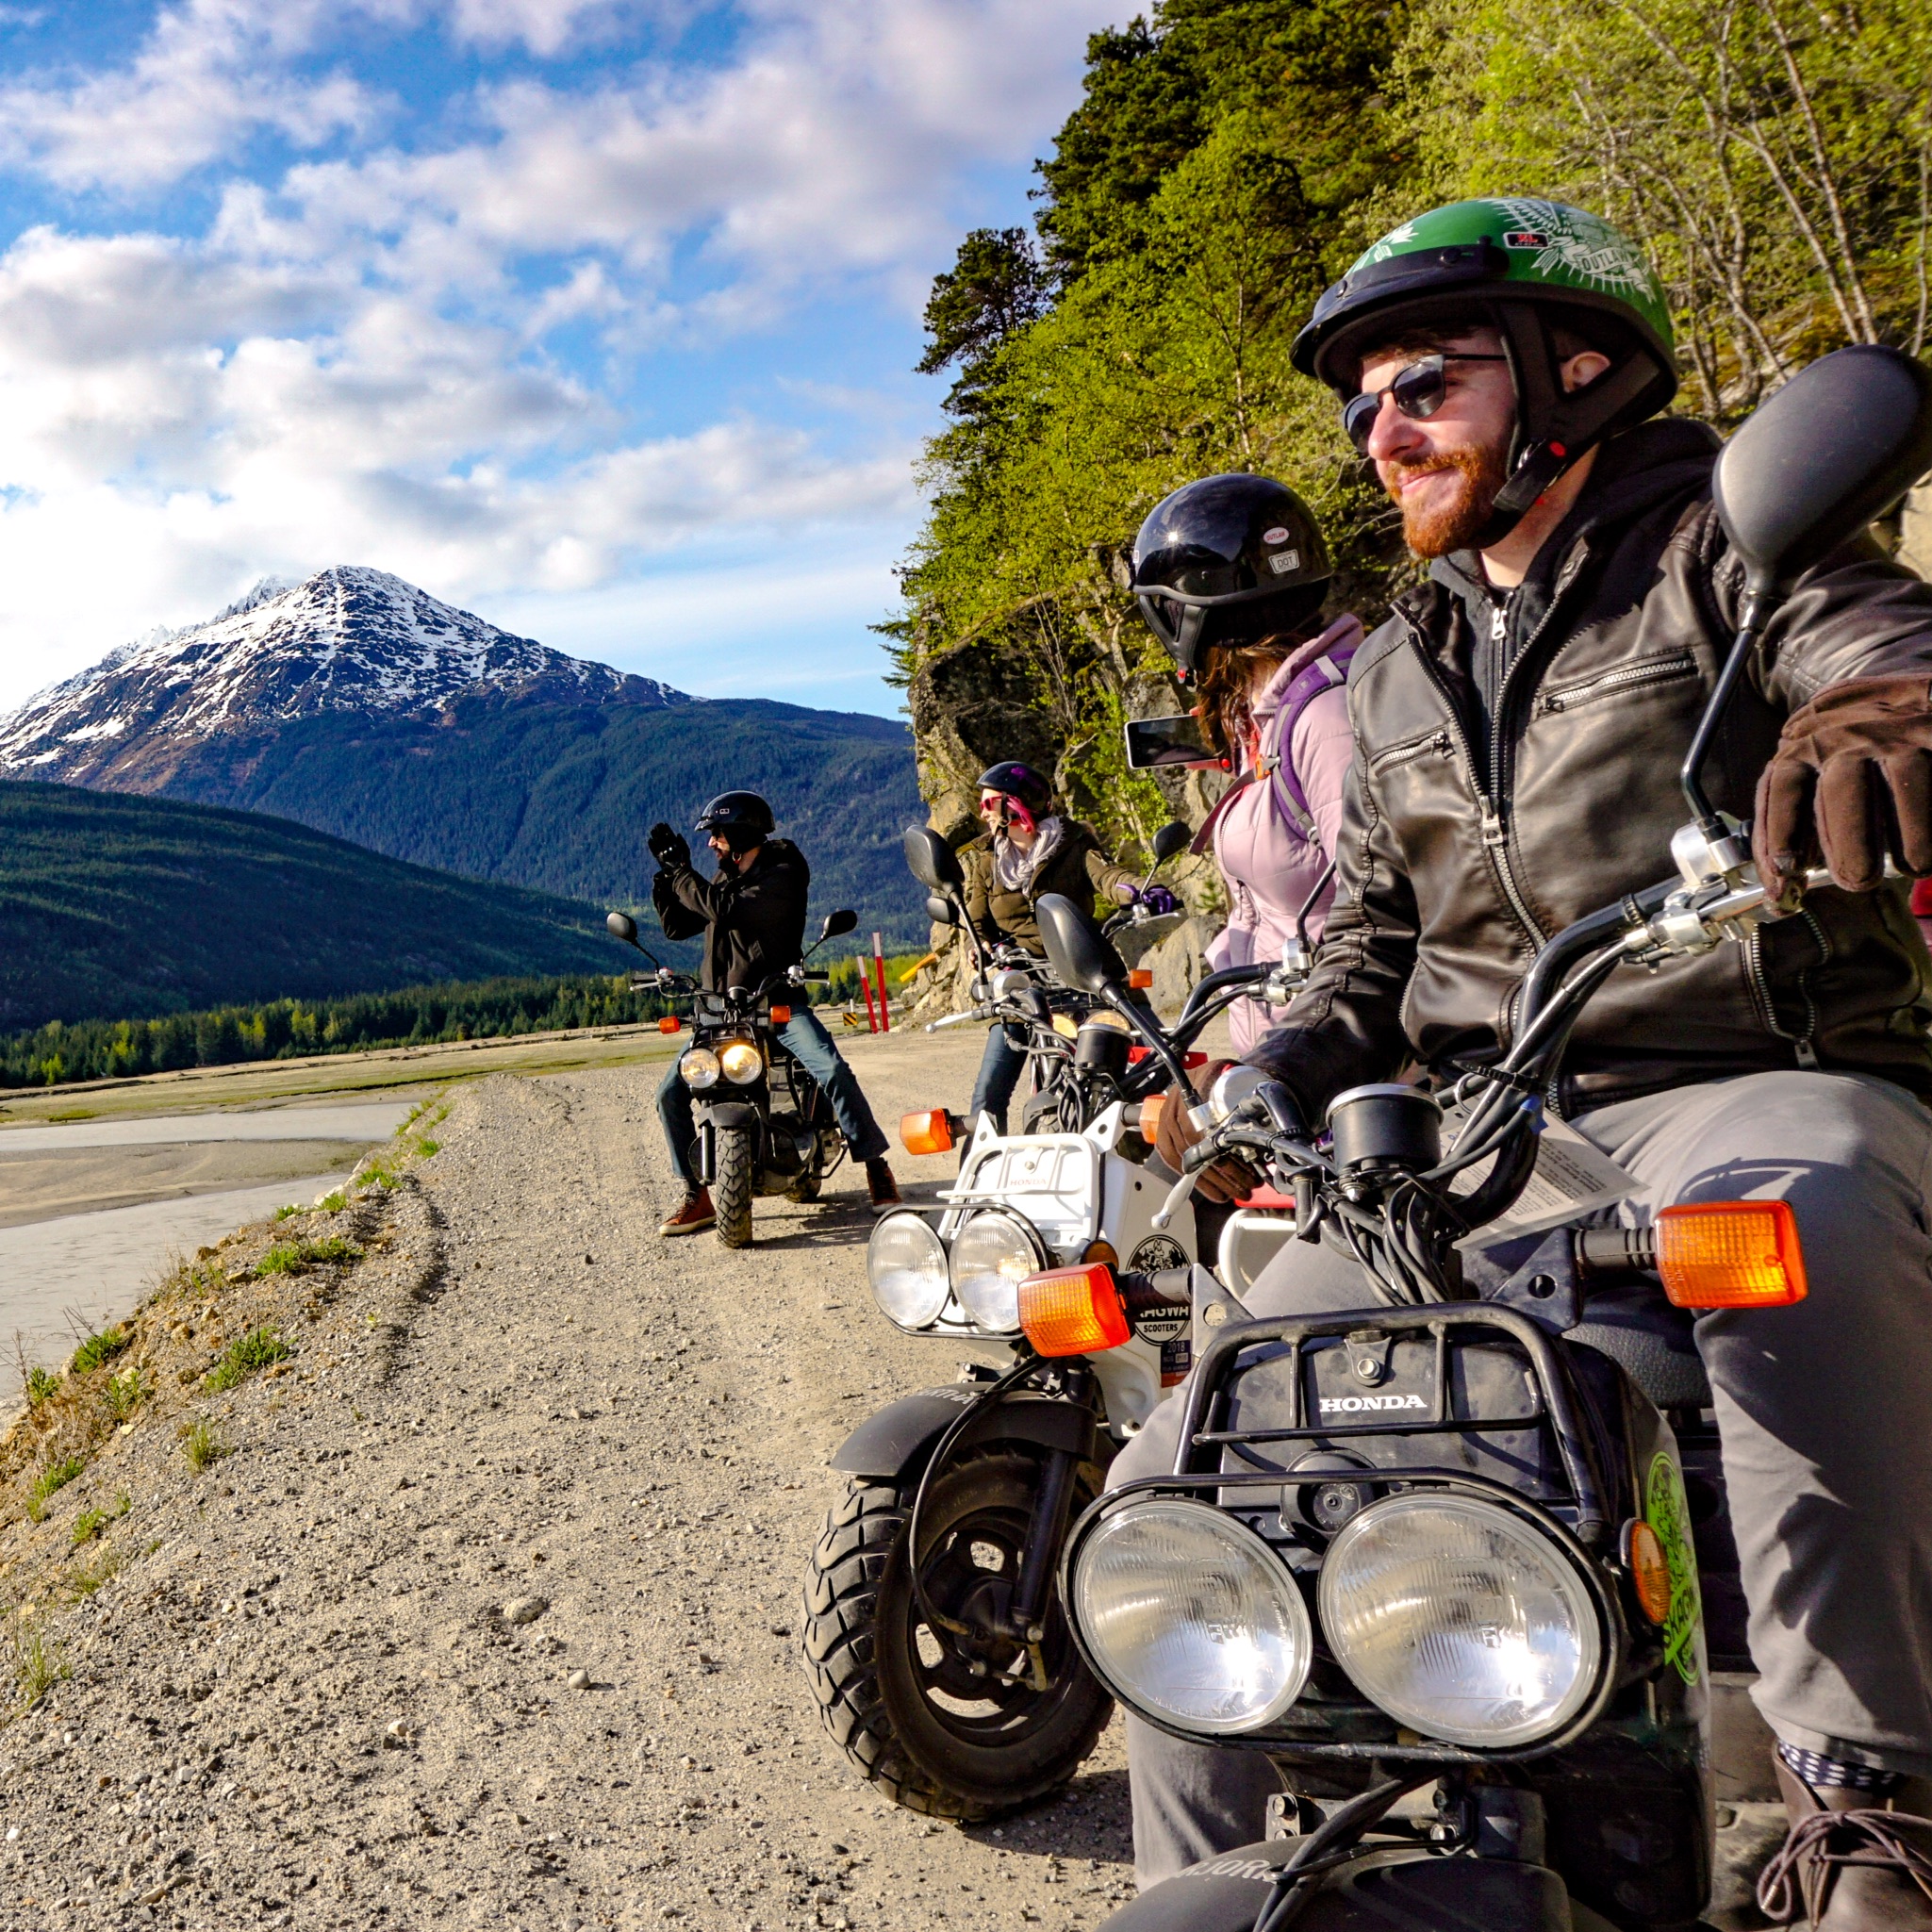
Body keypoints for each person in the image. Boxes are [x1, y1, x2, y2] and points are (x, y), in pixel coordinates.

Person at [1127, 197, 1932, 1923]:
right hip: (1492, 1135)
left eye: (1421, 381)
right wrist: (1277, 1067)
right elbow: (1362, 939)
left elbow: (1877, 653)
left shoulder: (1722, 549)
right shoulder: (1408, 654)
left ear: (1573, 370)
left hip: (1742, 1062)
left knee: (1800, 1218)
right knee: (1179, 1457)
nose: (1380, 430)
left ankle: (1865, 1800)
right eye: (1359, 405)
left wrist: (1874, 720)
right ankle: (1228, 1861)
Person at [1131, 472, 1362, 1062]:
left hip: (1331, 1071)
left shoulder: (1325, 719)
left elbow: (1377, 925)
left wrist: (1294, 1069)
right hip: (1283, 1060)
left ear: (1195, 611)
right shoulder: (1270, 716)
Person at [648, 790, 900, 1232]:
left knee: (831, 1069)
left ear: (743, 832)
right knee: (669, 1092)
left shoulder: (782, 874)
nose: (712, 844)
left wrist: (683, 872)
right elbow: (677, 925)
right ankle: (697, 1192)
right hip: (721, 1011)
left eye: (718, 834)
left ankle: (874, 1163)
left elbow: (723, 911)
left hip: (777, 1003)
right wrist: (665, 877)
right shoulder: (725, 879)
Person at [959, 761, 1159, 1134]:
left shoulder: (1073, 842)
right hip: (1024, 981)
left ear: (1015, 806)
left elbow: (1108, 876)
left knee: (1159, 1052)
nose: (983, 814)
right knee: (989, 1091)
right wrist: (979, 944)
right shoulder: (989, 860)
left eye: (990, 805)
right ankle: (978, 1174)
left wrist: (1142, 892)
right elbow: (977, 919)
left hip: (1082, 964)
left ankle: (1176, 1139)